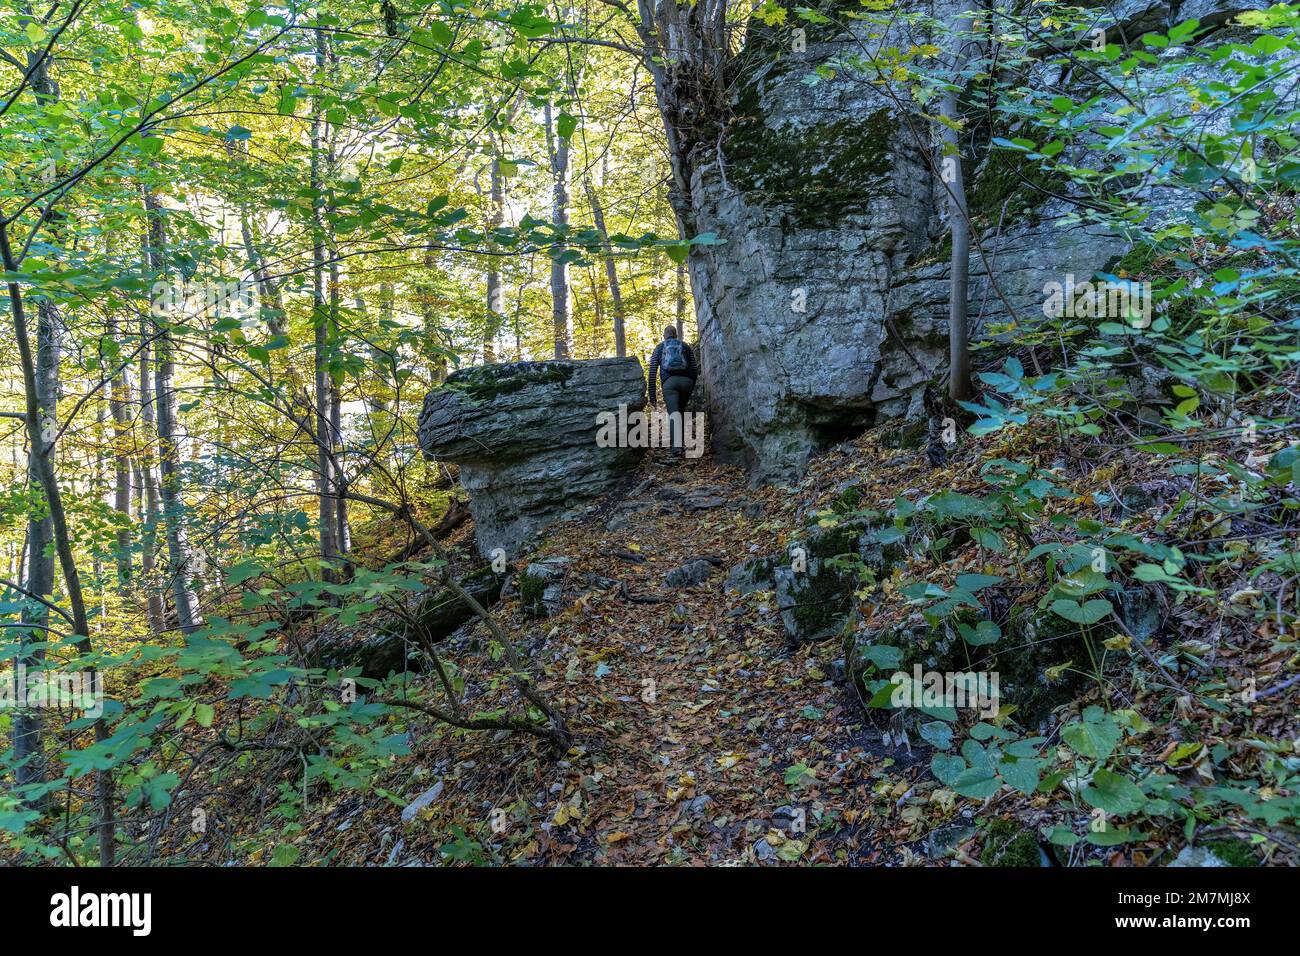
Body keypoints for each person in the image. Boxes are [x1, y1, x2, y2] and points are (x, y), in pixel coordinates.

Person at [647, 325, 698, 457]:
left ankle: (677, 448)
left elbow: (652, 372)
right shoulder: (685, 346)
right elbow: (694, 368)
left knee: (673, 414)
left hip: (669, 384)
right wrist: (690, 384)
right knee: (680, 412)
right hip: (687, 382)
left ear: (664, 336)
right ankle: (681, 444)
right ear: (676, 335)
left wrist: (652, 397)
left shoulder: (659, 348)